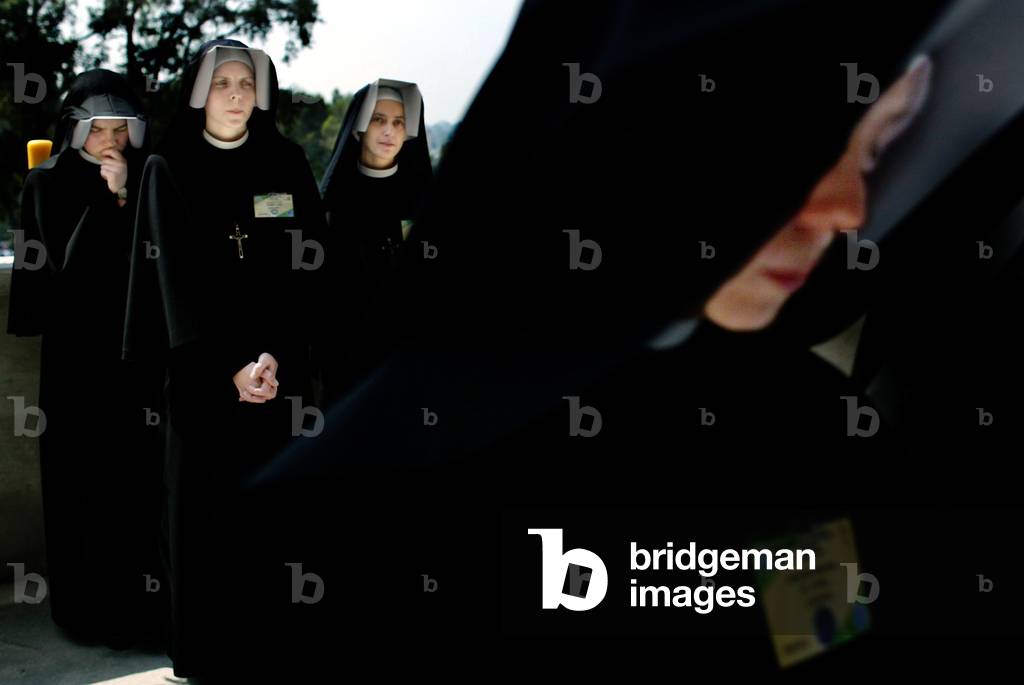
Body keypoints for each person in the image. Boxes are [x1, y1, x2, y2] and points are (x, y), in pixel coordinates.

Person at [123, 38, 325, 678]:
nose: (236, 95)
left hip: (279, 369)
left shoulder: (285, 161)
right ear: (198, 92)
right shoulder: (169, 165)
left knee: (273, 515)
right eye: (222, 83)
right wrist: (232, 365)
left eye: (247, 82)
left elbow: (307, 261)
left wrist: (271, 356)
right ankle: (206, 651)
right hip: (203, 376)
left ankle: (272, 642)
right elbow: (175, 282)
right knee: (201, 517)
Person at [6, 69, 165, 647]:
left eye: (120, 128)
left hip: (135, 356)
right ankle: (84, 612)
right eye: (98, 128)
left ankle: (142, 612)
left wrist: (126, 192)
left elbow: (156, 265)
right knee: (80, 487)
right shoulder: (46, 183)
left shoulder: (151, 176)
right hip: (76, 363)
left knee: (135, 484)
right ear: (76, 128)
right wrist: (107, 197)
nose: (110, 139)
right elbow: (59, 276)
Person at [317, 79, 433, 404]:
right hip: (342, 364)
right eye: (378, 120)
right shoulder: (329, 207)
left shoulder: (423, 206)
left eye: (399, 123)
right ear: (358, 129)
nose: (389, 131)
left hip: (403, 361)